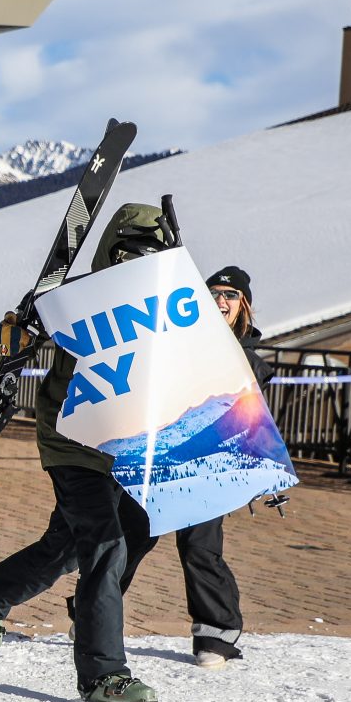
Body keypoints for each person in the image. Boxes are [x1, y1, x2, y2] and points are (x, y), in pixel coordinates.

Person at [0, 202, 177, 702]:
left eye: (148, 259)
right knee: (106, 546)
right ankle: (104, 675)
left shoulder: (169, 307)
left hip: (128, 446)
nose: (136, 268)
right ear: (112, 253)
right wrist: (14, 337)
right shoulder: (72, 297)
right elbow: (15, 337)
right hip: (73, 442)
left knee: (72, 546)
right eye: (129, 256)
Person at [116, 265, 273, 669]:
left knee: (200, 547)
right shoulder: (172, 341)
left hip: (210, 467)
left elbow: (253, 420)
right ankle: (93, 614)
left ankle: (216, 634)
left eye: (230, 295)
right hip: (160, 457)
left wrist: (263, 472)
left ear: (244, 306)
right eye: (214, 293)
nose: (221, 301)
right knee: (132, 536)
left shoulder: (247, 360)